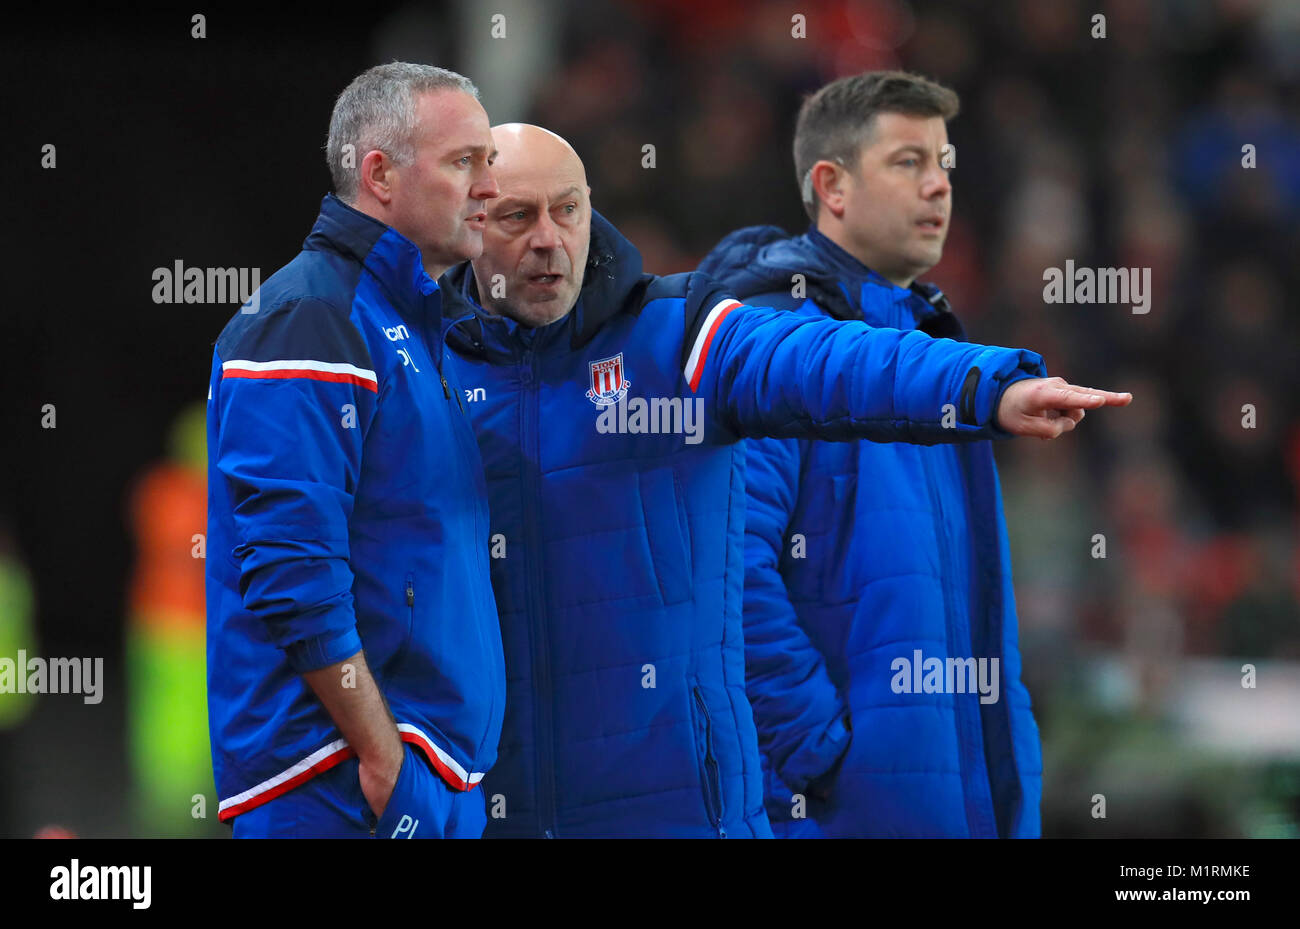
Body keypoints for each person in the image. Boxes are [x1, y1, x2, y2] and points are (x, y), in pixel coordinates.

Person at [441, 122, 1130, 837]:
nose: (551, 238)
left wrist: (986, 386)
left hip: (682, 815)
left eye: (570, 209)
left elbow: (825, 361)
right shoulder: (420, 367)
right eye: (519, 216)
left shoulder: (674, 335)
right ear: (469, 221)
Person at [698, 70, 1054, 837]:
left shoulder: (932, 351)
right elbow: (729, 576)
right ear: (831, 185)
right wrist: (823, 754)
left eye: (944, 164)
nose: (938, 187)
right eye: (908, 162)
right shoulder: (777, 349)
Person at [205, 62, 504, 838]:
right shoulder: (310, 316)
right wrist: (382, 761)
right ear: (378, 174)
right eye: (463, 162)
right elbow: (290, 565)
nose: (488, 188)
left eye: (489, 163)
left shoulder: (413, 321)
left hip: (410, 777)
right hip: (335, 785)